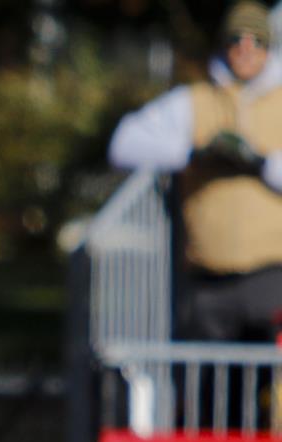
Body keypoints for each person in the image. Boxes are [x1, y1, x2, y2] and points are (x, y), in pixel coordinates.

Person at [110, 3, 282, 342]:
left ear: (268, 47)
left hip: (272, 277)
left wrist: (261, 163)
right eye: (236, 40)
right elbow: (123, 144)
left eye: (255, 41)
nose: (245, 50)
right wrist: (191, 154)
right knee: (206, 387)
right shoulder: (194, 100)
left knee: (273, 389)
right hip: (207, 279)